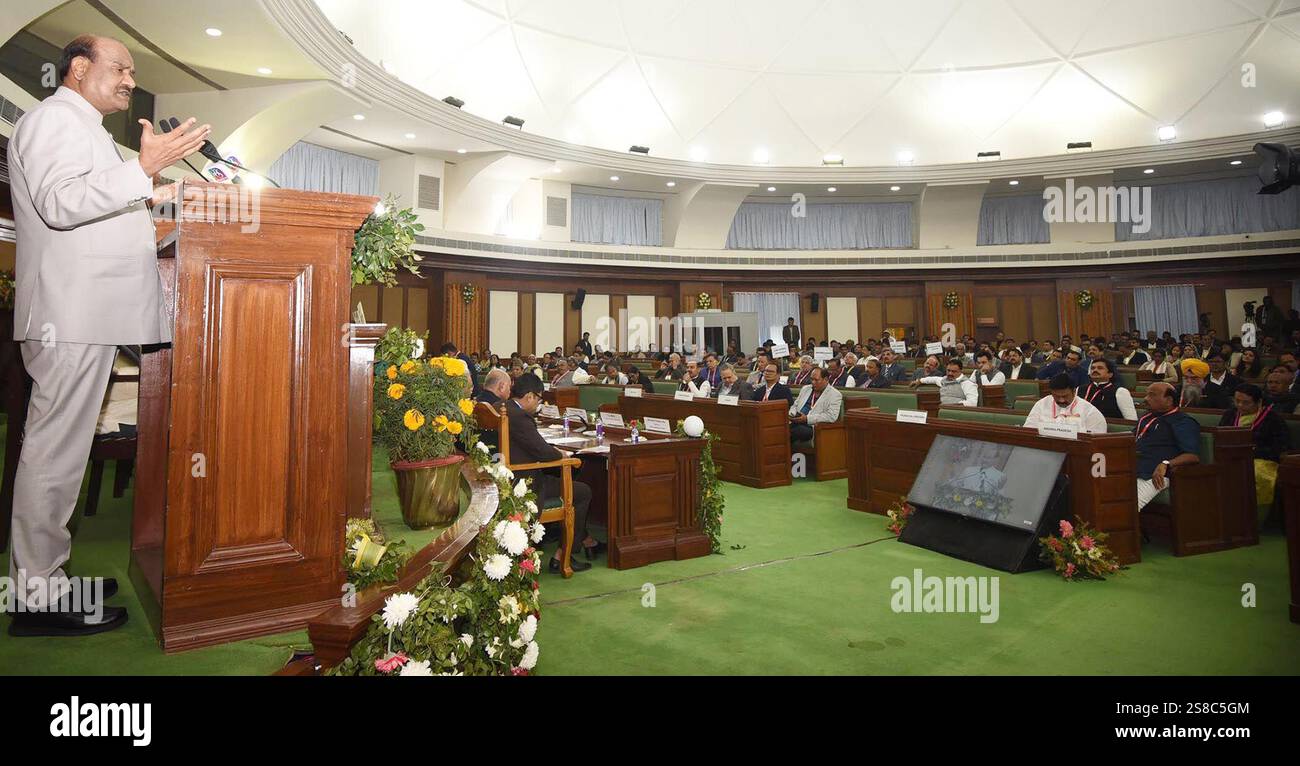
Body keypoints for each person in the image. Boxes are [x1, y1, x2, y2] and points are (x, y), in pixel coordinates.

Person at [5, 35, 213, 637]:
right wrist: (143, 170)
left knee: (63, 454)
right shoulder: (54, 121)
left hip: (86, 314)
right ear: (76, 68)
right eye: (120, 67)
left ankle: (48, 578)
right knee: (54, 453)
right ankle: (36, 595)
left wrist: (152, 192)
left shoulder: (88, 128)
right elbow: (59, 203)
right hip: (69, 314)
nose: (129, 79)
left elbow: (95, 209)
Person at [505, 375, 599, 573]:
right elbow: (544, 452)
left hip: (509, 477)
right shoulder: (519, 417)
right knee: (582, 492)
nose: (539, 404)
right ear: (529, 396)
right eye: (539, 399)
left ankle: (582, 541)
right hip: (526, 482)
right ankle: (564, 555)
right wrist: (563, 454)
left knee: (572, 486)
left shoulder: (501, 407)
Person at [1219, 383, 1290, 507]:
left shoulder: (1273, 419)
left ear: (1259, 402)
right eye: (1237, 401)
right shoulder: (1230, 414)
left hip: (1261, 460)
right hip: (1230, 457)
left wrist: (1250, 451)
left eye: (1246, 403)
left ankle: (1252, 516)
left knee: (1254, 476)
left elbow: (1280, 447)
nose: (1240, 406)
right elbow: (1218, 436)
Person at [1135, 382, 1201, 511]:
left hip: (1156, 474)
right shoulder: (1146, 418)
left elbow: (1192, 456)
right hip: (1134, 468)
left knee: (1125, 507)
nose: (1146, 399)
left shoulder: (1182, 421)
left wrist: (1165, 464)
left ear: (1169, 400)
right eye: (1147, 394)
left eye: (1152, 395)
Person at [1022, 374, 1108, 434]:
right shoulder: (1042, 404)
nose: (1061, 400)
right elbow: (1029, 431)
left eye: (1065, 396)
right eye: (1056, 396)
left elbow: (1095, 440)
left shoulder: (1089, 412)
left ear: (1074, 391)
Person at [789, 367, 842, 446]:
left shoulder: (835, 394)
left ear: (826, 379)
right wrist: (792, 414)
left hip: (813, 426)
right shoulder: (805, 389)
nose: (813, 382)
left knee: (797, 430)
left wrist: (807, 419)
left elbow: (831, 416)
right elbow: (795, 406)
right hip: (796, 421)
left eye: (816, 380)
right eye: (811, 379)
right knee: (780, 427)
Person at [912, 359, 978, 407]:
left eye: (953, 371)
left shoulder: (967, 383)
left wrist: (953, 405)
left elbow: (972, 403)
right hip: (939, 409)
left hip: (955, 411)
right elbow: (933, 379)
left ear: (960, 371)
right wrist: (920, 381)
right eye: (948, 370)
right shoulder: (944, 379)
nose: (950, 373)